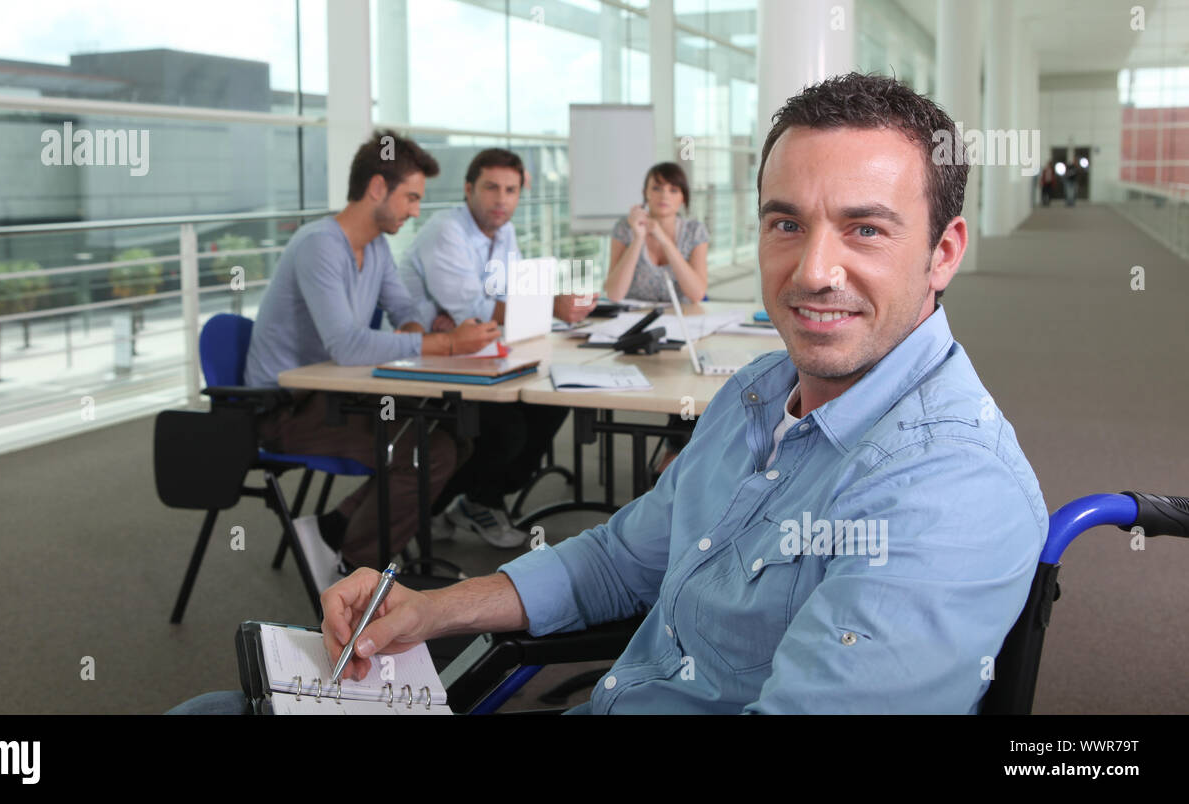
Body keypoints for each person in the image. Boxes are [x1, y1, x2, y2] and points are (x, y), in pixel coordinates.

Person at [171, 73, 1048, 714]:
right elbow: (622, 557)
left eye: (865, 228)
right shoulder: (759, 388)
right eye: (787, 223)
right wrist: (428, 611)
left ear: (943, 251)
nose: (815, 271)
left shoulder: (948, 489)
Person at [244, 129, 498, 584]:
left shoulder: (375, 247)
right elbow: (346, 345)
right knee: (428, 451)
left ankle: (333, 528)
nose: (416, 211)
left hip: (336, 395)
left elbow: (404, 311)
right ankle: (355, 572)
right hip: (283, 409)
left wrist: (425, 335)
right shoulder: (319, 244)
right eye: (411, 198)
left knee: (455, 439)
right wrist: (444, 345)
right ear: (378, 188)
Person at [399, 148, 597, 547]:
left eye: (511, 190)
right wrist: (545, 304)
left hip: (478, 353)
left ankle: (476, 499)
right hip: (424, 359)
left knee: (551, 403)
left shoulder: (502, 232)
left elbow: (510, 299)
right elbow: (477, 307)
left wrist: (513, 308)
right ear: (469, 189)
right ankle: (443, 506)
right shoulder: (446, 230)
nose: (502, 199)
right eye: (491, 188)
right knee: (508, 427)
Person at [602, 162, 709, 304]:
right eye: (657, 188)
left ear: (683, 197)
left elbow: (697, 294)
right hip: (635, 318)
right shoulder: (625, 228)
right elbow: (613, 294)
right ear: (645, 193)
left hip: (682, 317)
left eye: (673, 190)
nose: (664, 195)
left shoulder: (694, 231)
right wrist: (638, 239)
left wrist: (663, 239)